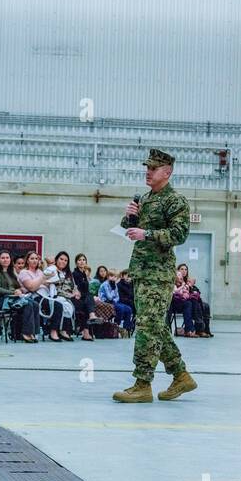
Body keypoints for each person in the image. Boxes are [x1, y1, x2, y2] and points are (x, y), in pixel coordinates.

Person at [113, 148, 197, 402]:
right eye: (147, 168)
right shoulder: (146, 199)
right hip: (141, 270)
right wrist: (130, 217)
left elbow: (179, 234)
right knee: (155, 326)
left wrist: (146, 234)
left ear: (167, 172)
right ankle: (181, 376)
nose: (148, 172)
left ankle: (142, 384)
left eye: (153, 168)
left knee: (147, 327)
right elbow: (131, 229)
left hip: (158, 274)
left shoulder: (176, 201)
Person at [0, 250, 39, 343]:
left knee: (35, 304)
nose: (5, 260)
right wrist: (13, 292)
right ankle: (26, 333)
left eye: (7, 258)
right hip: (2, 300)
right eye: (2, 258)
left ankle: (33, 332)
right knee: (28, 305)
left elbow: (17, 286)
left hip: (13, 298)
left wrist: (20, 289)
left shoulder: (11, 272)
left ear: (10, 259)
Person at [20, 252, 69, 342]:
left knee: (65, 303)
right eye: (32, 258)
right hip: (34, 296)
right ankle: (53, 332)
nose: (35, 261)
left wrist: (41, 281)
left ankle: (63, 330)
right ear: (27, 260)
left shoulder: (39, 272)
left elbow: (48, 283)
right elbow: (31, 287)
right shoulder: (24, 272)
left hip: (46, 294)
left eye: (36, 259)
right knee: (57, 305)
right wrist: (42, 280)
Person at [71, 253, 97, 341]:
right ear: (76, 262)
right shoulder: (75, 273)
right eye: (79, 260)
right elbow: (80, 288)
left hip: (84, 297)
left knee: (88, 301)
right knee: (89, 298)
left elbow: (86, 289)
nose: (82, 262)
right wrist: (85, 277)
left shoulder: (84, 274)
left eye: (83, 260)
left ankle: (86, 332)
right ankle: (91, 316)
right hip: (76, 298)